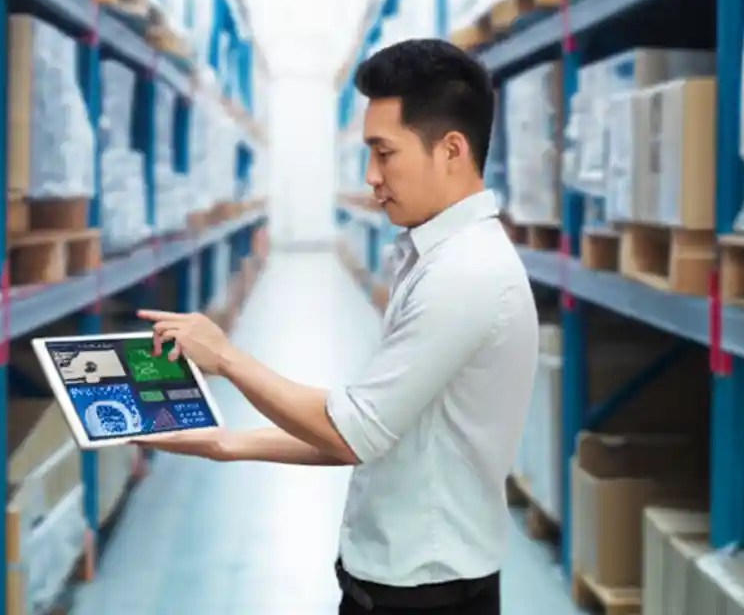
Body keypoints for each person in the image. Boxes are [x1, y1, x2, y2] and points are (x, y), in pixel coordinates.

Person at [135, 38, 539, 615]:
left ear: (451, 150)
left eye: (384, 153)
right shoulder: (434, 255)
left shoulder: (465, 274)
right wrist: (224, 443)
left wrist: (225, 358)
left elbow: (355, 432)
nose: (371, 176)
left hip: (424, 595)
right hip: (407, 582)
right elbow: (377, 427)